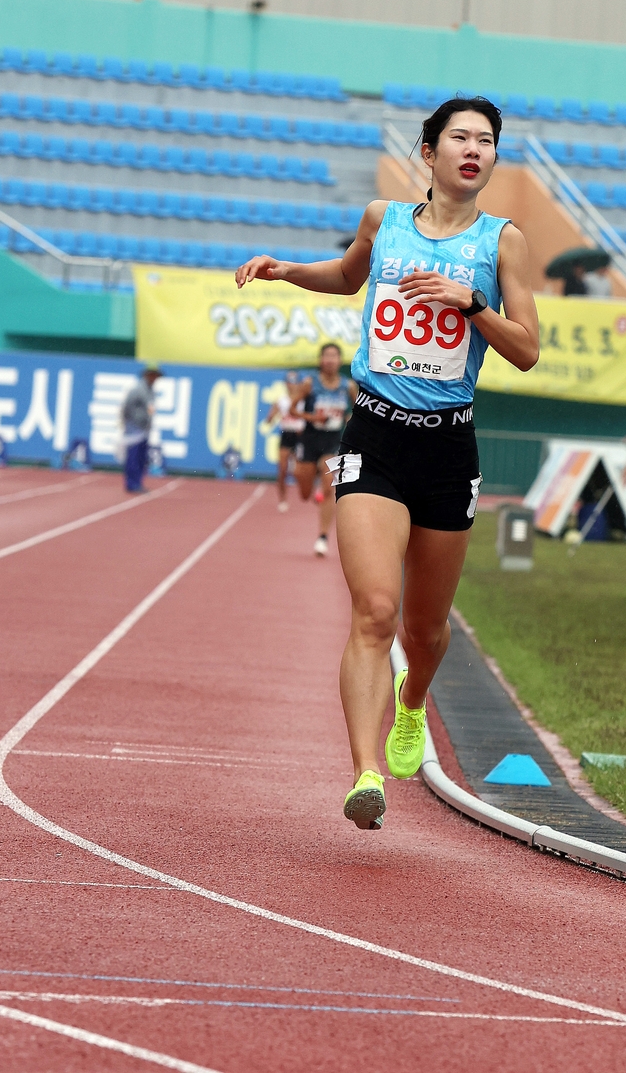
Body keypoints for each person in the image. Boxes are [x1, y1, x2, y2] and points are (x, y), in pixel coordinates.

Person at [235, 96, 539, 831]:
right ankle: (365, 771)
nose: (475, 149)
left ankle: (411, 706)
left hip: (448, 444)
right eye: (460, 137)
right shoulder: (385, 220)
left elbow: (527, 349)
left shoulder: (504, 243)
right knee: (375, 609)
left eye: (487, 141)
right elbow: (347, 277)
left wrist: (471, 305)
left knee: (424, 631)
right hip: (374, 433)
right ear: (427, 153)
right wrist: (284, 270)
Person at [293, 344, 357, 555]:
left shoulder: (347, 386)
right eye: (326, 356)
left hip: (334, 440)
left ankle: (322, 537)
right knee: (304, 493)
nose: (330, 360)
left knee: (329, 482)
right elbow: (292, 409)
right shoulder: (310, 384)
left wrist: (348, 419)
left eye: (334, 356)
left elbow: (359, 412)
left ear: (340, 361)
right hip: (310, 440)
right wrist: (313, 418)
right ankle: (310, 483)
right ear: (321, 360)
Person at [263, 369, 306, 512]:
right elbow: (270, 418)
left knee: (299, 472)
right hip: (286, 434)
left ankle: (305, 493)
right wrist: (271, 417)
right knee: (282, 469)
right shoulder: (281, 401)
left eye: (293, 382)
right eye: (288, 382)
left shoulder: (304, 400)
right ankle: (282, 499)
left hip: (300, 436)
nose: (291, 385)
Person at [120, 365, 162, 493]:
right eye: (152, 375)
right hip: (134, 428)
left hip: (144, 428)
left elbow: (150, 409)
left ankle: (137, 482)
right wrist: (129, 422)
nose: (155, 379)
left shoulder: (150, 390)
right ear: (146, 375)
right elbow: (127, 407)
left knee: (141, 457)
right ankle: (132, 483)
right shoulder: (138, 389)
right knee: (133, 456)